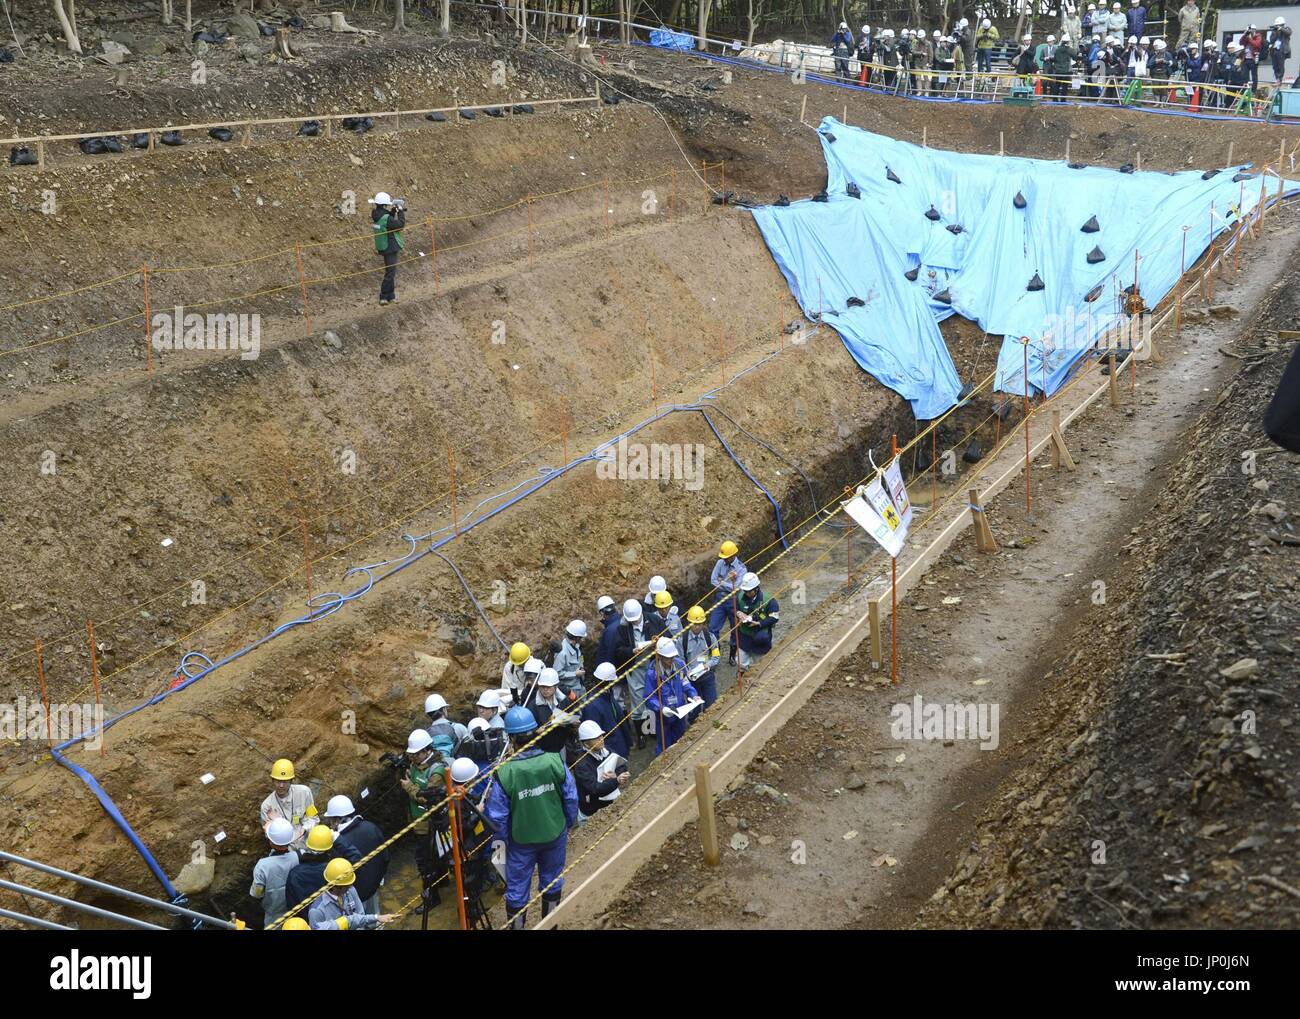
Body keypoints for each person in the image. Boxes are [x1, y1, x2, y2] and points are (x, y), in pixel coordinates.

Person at [485, 706, 579, 928]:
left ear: (511, 738)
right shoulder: (555, 761)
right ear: (535, 732)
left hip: (521, 841)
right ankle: (551, 925)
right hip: (554, 833)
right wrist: (569, 823)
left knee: (517, 890)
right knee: (553, 881)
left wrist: (503, 841)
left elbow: (497, 817)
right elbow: (571, 797)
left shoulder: (505, 772)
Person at [400, 728, 449, 908]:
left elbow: (428, 796)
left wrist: (409, 787)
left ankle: (432, 897)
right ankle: (442, 881)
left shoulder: (437, 771)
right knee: (435, 855)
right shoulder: (415, 765)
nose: (413, 758)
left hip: (431, 824)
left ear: (427, 750)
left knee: (425, 861)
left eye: (416, 754)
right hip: (418, 821)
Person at [323, 795, 389, 914]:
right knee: (375, 918)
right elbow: (385, 857)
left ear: (338, 820)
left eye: (331, 820)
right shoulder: (371, 827)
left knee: (359, 922)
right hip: (373, 887)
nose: (330, 824)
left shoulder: (339, 845)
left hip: (354, 895)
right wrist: (378, 879)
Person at [644, 637, 700, 755]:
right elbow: (649, 697)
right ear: (659, 656)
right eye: (667, 658)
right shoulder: (652, 673)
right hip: (663, 717)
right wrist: (661, 709)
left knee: (680, 741)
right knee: (664, 746)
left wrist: (693, 695)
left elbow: (685, 682)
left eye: (672, 657)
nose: (670, 660)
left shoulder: (679, 665)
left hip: (679, 711)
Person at [307, 858, 396, 930]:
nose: (351, 886)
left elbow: (360, 916)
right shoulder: (317, 911)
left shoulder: (350, 891)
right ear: (336, 886)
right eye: (347, 885)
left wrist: (376, 917)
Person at [612, 597, 652, 749]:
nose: (635, 622)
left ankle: (652, 729)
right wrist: (632, 651)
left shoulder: (652, 620)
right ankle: (642, 735)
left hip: (652, 665)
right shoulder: (622, 628)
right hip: (635, 669)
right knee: (638, 703)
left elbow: (664, 637)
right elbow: (619, 650)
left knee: (653, 696)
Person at [570, 720, 630, 820]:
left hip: (610, 803)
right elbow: (595, 789)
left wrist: (616, 774)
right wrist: (616, 780)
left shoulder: (606, 750)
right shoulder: (581, 764)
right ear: (586, 743)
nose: (601, 739)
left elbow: (620, 765)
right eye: (596, 738)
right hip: (593, 813)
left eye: (601, 736)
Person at [259, 758, 319, 853]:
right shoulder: (267, 806)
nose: (281, 785)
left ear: (291, 780)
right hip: (285, 850)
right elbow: (269, 835)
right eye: (278, 781)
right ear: (272, 780)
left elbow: (313, 818)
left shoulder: (304, 792)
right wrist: (276, 823)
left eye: (285, 781)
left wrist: (303, 830)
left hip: (307, 843)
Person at [249, 818, 298, 929]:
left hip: (273, 916)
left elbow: (257, 894)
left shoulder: (262, 866)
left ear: (271, 842)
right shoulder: (298, 857)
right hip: (296, 911)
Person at [581, 661, 631, 759]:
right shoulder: (592, 706)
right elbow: (594, 737)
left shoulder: (607, 695)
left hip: (618, 744)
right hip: (610, 751)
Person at [708, 540, 746, 665]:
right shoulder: (720, 563)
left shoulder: (741, 568)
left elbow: (737, 588)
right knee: (712, 627)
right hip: (720, 599)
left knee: (735, 628)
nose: (724, 560)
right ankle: (715, 653)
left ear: (733, 556)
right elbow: (713, 580)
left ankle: (732, 654)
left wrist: (722, 582)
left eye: (726, 558)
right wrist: (728, 584)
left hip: (733, 601)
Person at [284, 821, 336, 910]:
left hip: (304, 921)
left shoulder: (295, 873)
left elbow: (291, 905)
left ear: (308, 845)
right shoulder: (334, 869)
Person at [735, 572, 780, 673]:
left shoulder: (768, 600)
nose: (746, 593)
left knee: (761, 664)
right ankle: (742, 677)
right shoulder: (740, 597)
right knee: (740, 661)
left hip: (760, 637)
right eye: (745, 591)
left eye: (749, 591)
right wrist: (738, 613)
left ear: (756, 588)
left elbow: (774, 617)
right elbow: (734, 608)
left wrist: (759, 623)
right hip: (744, 636)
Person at [527, 667, 579, 754]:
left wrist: (573, 724)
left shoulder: (564, 700)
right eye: (542, 687)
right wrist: (536, 732)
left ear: (555, 686)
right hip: (542, 750)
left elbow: (571, 715)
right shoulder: (533, 706)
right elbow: (528, 732)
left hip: (561, 746)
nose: (545, 690)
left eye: (548, 687)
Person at [680, 605, 721, 708]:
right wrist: (687, 671)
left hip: (707, 677)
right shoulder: (682, 641)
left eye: (699, 624)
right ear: (689, 623)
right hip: (692, 681)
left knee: (711, 706)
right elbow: (679, 661)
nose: (697, 627)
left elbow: (716, 656)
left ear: (703, 623)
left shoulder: (710, 637)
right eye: (694, 624)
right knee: (694, 710)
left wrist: (709, 664)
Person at [369, 192, 406, 306]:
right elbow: (400, 224)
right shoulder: (386, 218)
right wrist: (400, 212)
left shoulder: (376, 215)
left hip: (384, 246)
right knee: (390, 272)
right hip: (389, 246)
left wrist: (393, 212)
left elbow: (386, 218)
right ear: (385, 205)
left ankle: (391, 296)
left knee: (391, 272)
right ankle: (384, 296)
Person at [424, 693, 466, 762]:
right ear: (444, 710)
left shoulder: (426, 735)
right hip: (456, 768)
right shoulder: (458, 728)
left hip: (436, 769)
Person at [553, 619, 588, 700]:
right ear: (577, 637)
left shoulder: (576, 646)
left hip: (580, 687)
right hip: (570, 691)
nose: (582, 639)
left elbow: (580, 659)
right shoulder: (562, 653)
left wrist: (581, 667)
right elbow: (557, 674)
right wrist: (574, 674)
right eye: (581, 637)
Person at [1051, 33, 1076, 99]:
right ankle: (1063, 99)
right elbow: (1075, 56)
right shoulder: (1069, 50)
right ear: (1068, 42)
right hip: (1066, 71)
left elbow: (1054, 58)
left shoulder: (1057, 50)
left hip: (1058, 70)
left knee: (1057, 85)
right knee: (1065, 85)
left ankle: (1055, 99)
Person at [1242, 24, 1264, 90]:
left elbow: (1257, 44)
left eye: (1251, 30)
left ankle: (1253, 90)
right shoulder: (1247, 37)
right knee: (1245, 75)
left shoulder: (1258, 36)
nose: (1250, 32)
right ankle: (1246, 89)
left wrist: (1249, 39)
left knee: (1254, 75)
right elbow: (1241, 42)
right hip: (1245, 58)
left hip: (1253, 59)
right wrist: (1244, 35)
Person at [1269, 18, 1291, 85]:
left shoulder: (1287, 29)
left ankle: (1279, 79)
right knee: (1275, 66)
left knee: (1280, 65)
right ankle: (1277, 79)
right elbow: (1271, 40)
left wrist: (1281, 29)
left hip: (1282, 50)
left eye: (1278, 25)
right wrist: (1276, 32)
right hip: (1275, 50)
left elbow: (1289, 33)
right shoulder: (1274, 31)